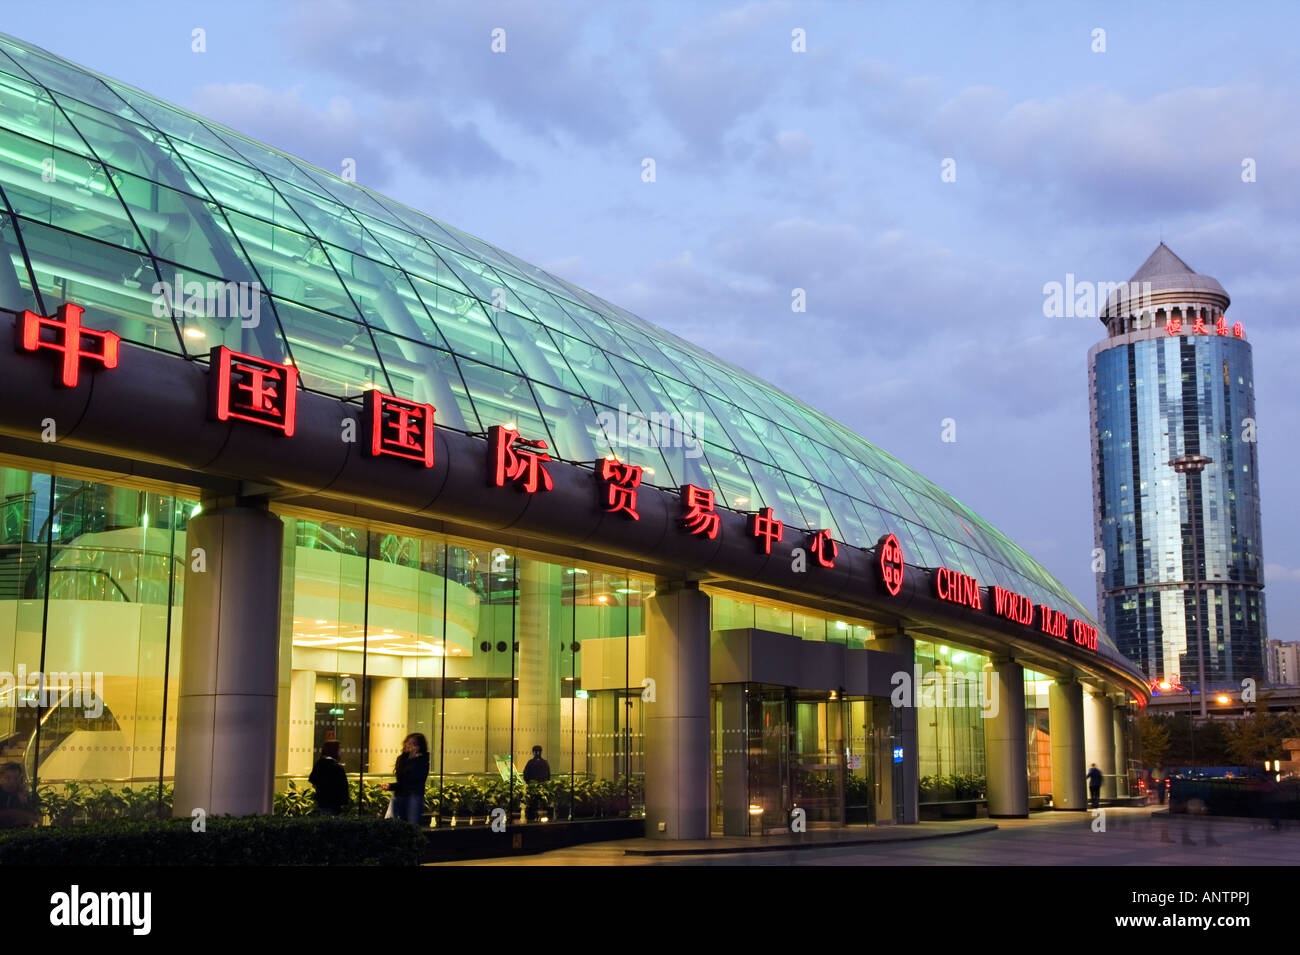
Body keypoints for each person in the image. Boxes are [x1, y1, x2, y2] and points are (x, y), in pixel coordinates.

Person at [385, 733, 429, 825]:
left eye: (411, 743)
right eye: (407, 743)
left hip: (413, 796)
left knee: (412, 825)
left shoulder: (422, 760)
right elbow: (401, 781)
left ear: (418, 747)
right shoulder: (401, 759)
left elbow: (414, 779)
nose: (407, 745)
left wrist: (412, 758)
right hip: (400, 796)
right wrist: (390, 786)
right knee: (400, 825)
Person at [308, 738, 349, 815]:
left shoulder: (319, 764)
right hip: (334, 804)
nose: (341, 751)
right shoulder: (336, 766)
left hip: (322, 802)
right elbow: (343, 787)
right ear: (334, 750)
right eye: (339, 749)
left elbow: (313, 780)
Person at [0, 762, 39, 828]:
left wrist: (24, 802)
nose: (12, 782)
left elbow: (35, 817)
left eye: (15, 778)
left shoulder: (22, 793)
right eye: (7, 778)